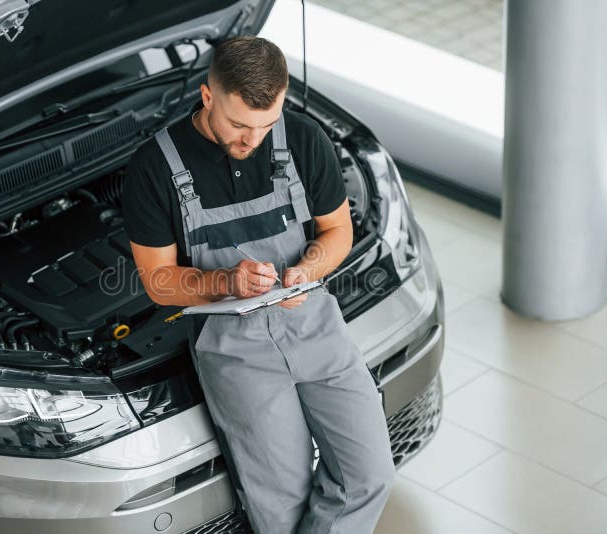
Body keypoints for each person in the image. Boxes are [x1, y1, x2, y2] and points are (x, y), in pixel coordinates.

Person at [123, 35, 395, 534]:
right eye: (240, 125)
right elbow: (159, 282)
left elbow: (337, 232)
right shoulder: (154, 167)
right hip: (236, 351)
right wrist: (227, 281)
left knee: (370, 475)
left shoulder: (305, 139)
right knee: (280, 507)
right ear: (208, 97)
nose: (254, 140)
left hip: (313, 323)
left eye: (267, 125)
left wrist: (306, 269)